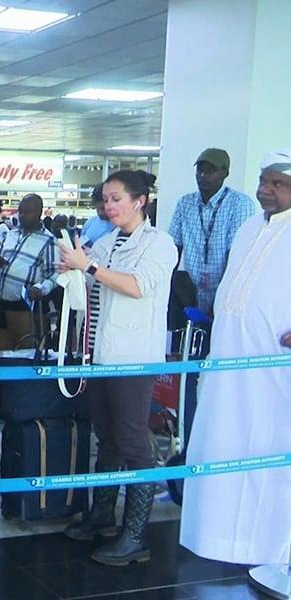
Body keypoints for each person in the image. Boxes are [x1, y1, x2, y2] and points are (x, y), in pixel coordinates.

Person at [58, 170, 177, 566]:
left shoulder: (160, 244)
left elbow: (138, 285)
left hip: (132, 357)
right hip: (100, 356)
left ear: (139, 200)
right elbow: (94, 292)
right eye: (105, 200)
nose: (108, 206)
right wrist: (73, 273)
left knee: (132, 442)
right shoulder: (107, 242)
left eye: (116, 199)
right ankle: (102, 514)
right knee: (106, 436)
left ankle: (136, 535)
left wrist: (89, 268)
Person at [180, 149, 291, 566]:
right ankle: (214, 535)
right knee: (221, 441)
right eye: (263, 181)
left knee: (270, 451)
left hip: (274, 372)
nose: (265, 190)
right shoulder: (247, 228)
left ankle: (273, 548)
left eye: (277, 184)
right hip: (229, 361)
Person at [168, 148, 256, 315]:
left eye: (211, 171)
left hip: (225, 288)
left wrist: (225, 295)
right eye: (200, 170)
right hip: (191, 290)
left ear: (225, 173)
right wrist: (167, 289)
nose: (203, 175)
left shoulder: (239, 203)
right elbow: (174, 248)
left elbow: (237, 254)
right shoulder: (185, 203)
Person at [0, 193, 59, 350]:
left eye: (28, 212)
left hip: (26, 311)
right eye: (21, 211)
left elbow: (55, 275)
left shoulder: (49, 241)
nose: (22, 215)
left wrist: (41, 288)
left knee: (24, 357)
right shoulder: (11, 234)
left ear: (39, 213)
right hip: (1, 306)